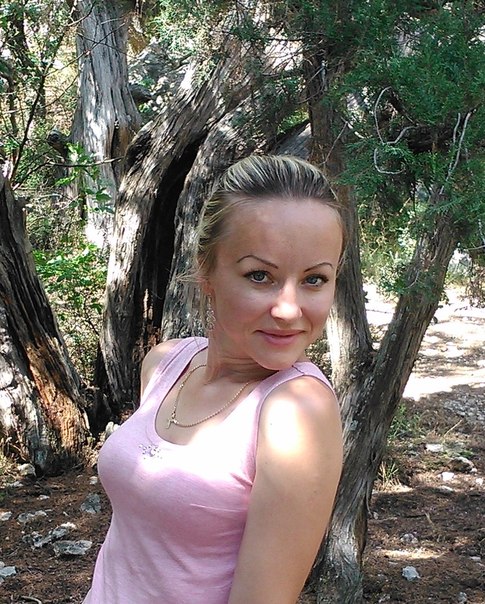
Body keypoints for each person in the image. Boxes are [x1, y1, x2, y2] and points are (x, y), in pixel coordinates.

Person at [83, 154, 345, 604]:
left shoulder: (295, 410)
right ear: (207, 272)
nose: (288, 310)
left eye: (315, 279)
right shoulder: (166, 364)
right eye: (260, 276)